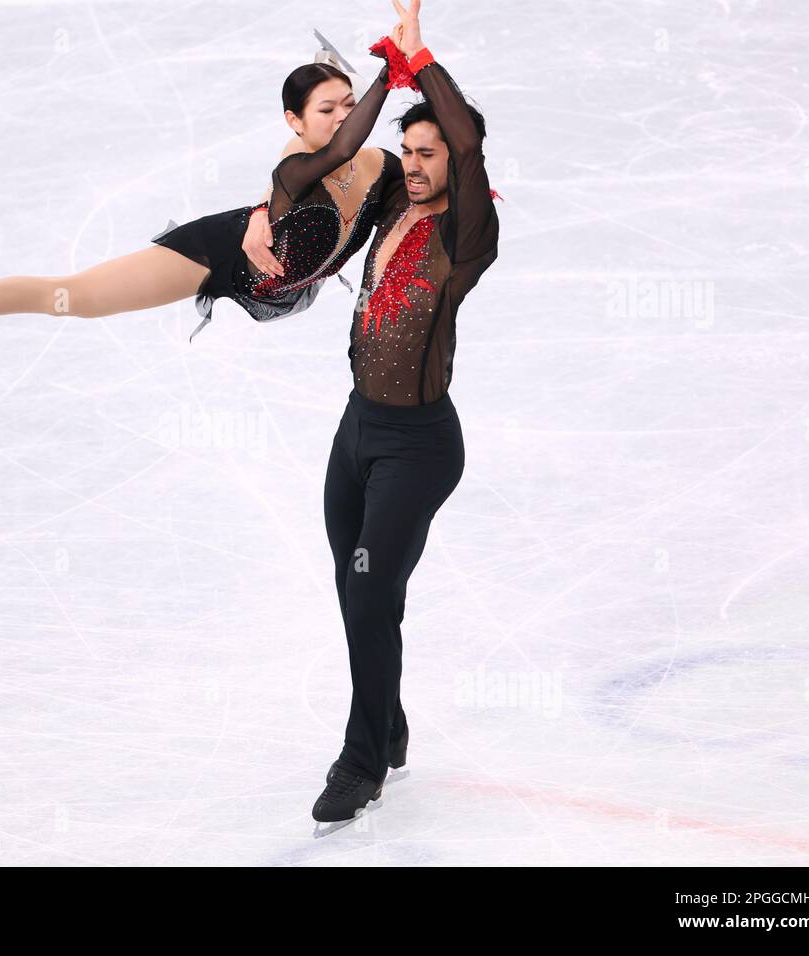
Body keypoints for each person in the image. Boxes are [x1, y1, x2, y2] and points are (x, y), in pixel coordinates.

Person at [0, 19, 419, 376]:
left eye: (348, 103)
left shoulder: (383, 172)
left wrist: (420, 63)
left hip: (263, 259)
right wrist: (387, 73)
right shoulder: (297, 167)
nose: (343, 117)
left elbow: (435, 162)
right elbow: (334, 153)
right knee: (71, 296)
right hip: (213, 254)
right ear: (294, 122)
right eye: (327, 109)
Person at [309, 0, 502, 824]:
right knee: (364, 593)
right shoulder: (391, 200)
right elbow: (341, 147)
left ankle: (363, 761)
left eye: (431, 154)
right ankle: (388, 726)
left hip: (419, 446)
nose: (417, 164)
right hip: (357, 431)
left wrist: (420, 59)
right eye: (410, 150)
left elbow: (467, 141)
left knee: (367, 591)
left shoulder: (468, 235)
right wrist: (388, 80)